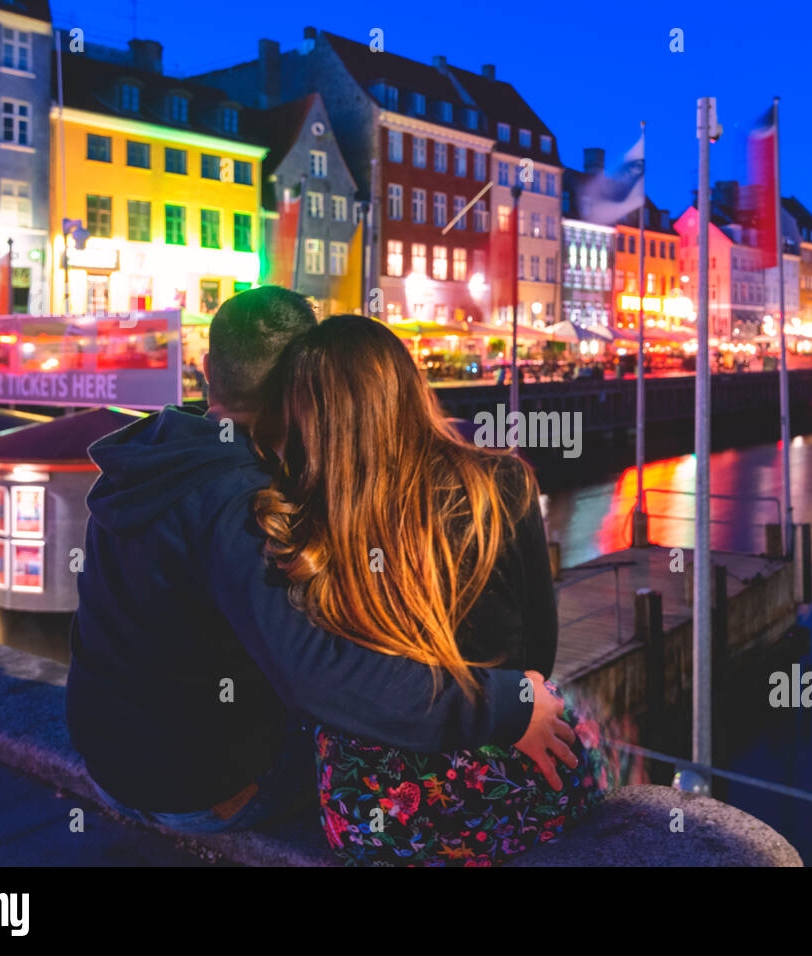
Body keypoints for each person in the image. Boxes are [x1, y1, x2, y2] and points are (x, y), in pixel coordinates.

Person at [67, 287, 577, 835]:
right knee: (355, 736)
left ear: (208, 366)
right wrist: (506, 706)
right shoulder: (245, 501)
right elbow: (321, 675)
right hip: (202, 792)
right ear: (305, 386)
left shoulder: (154, 454)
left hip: (108, 763)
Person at [254, 315, 614, 865]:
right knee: (593, 728)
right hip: (500, 775)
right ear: (409, 387)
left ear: (307, 413)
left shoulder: (296, 518)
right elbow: (538, 654)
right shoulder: (500, 483)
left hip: (369, 809)